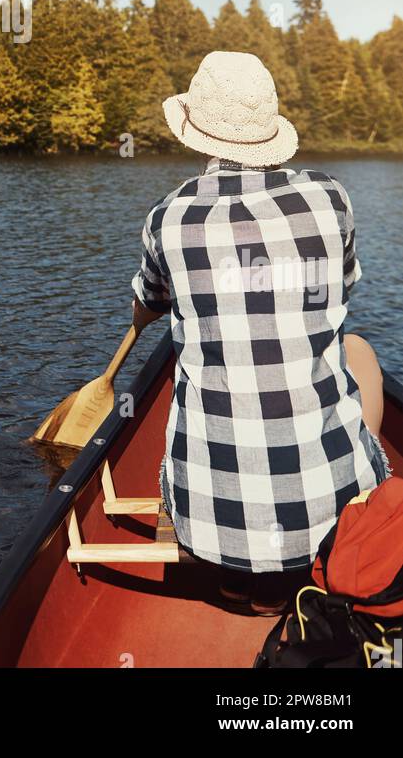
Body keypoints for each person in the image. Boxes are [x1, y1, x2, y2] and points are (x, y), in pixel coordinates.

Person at [131, 51, 391, 613]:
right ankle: (339, 518)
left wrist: (152, 307)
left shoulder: (167, 218)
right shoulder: (330, 197)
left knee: (197, 380)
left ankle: (233, 575)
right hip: (323, 503)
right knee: (358, 350)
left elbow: (149, 303)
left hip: (213, 520)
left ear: (198, 134)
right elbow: (341, 291)